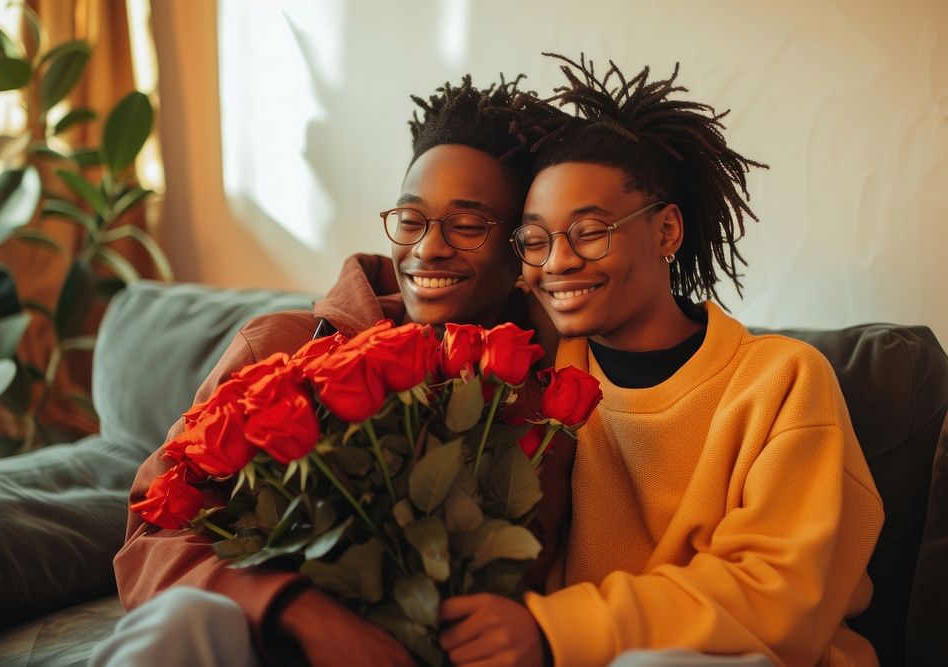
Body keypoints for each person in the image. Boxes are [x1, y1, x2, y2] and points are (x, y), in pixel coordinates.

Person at [92, 75, 570, 667]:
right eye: (411, 219)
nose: (427, 249)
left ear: (523, 247)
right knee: (186, 618)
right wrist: (295, 609)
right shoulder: (281, 346)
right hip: (257, 639)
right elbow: (151, 538)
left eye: (468, 226)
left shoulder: (553, 393)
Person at [437, 54, 884, 667]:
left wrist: (552, 632)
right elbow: (410, 290)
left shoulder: (780, 378)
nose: (558, 263)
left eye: (590, 231)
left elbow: (777, 596)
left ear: (667, 231)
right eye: (536, 240)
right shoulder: (534, 363)